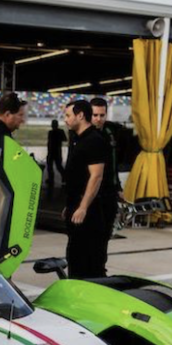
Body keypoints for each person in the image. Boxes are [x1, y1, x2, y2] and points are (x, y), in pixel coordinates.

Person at [63, 99, 108, 279]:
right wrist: (71, 205)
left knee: (87, 259)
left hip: (89, 211)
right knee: (74, 256)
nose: (65, 119)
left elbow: (96, 176)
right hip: (76, 205)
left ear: (80, 115)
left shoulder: (94, 140)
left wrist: (83, 206)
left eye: (68, 115)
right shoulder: (78, 139)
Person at [90, 97, 122, 240]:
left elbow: (114, 162)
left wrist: (118, 187)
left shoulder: (110, 132)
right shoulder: (83, 134)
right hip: (91, 190)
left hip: (109, 189)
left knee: (105, 233)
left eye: (102, 115)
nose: (98, 119)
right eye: (95, 115)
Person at [46, 118, 66, 189]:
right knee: (58, 166)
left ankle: (51, 179)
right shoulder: (60, 131)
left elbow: (49, 143)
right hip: (57, 152)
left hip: (52, 152)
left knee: (50, 167)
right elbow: (65, 139)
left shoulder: (51, 132)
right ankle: (64, 178)